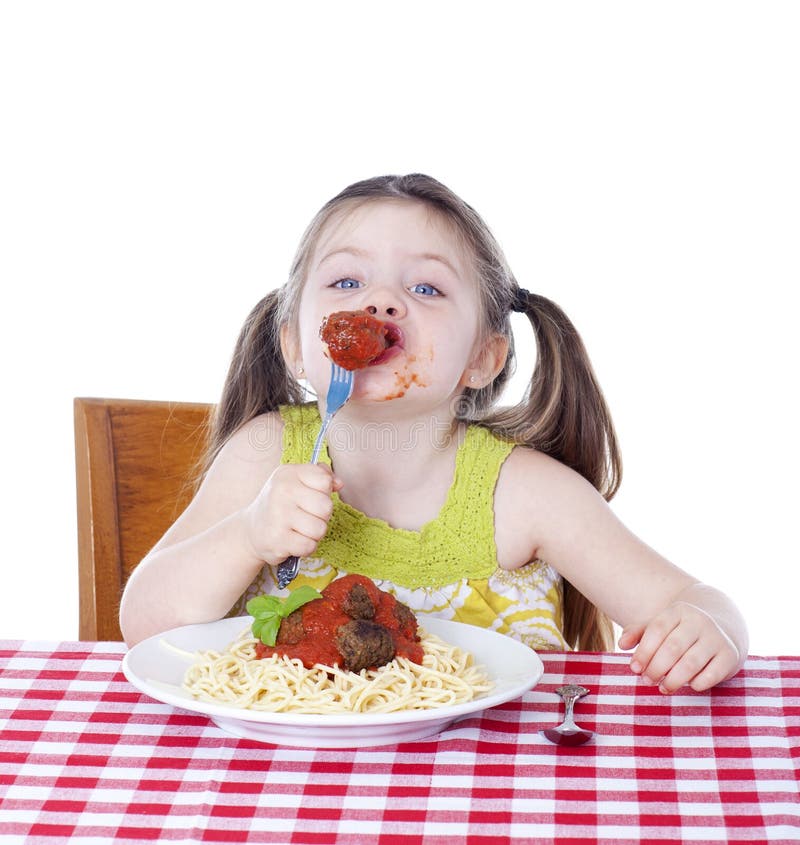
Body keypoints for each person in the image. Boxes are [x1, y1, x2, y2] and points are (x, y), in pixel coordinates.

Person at [120, 173, 748, 694]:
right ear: (292, 344)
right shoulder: (262, 455)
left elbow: (693, 600)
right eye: (346, 281)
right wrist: (247, 534)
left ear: (484, 356)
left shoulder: (524, 494)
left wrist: (707, 627)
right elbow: (144, 623)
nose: (382, 301)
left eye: (425, 287)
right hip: (288, 776)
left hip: (490, 787)